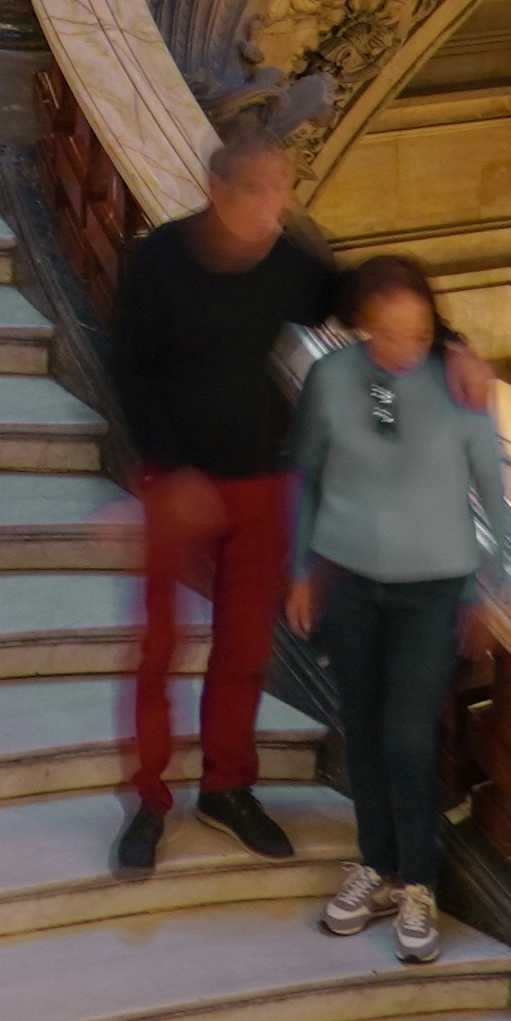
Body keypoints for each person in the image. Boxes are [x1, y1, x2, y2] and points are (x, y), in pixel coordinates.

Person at [108, 127, 341, 876]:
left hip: (260, 481)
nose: (274, 209)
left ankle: (227, 788)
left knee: (245, 649)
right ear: (217, 189)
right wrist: (169, 473)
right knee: (159, 646)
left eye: (282, 193)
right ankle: (148, 799)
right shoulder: (161, 262)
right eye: (258, 192)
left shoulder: (285, 265)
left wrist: (452, 345)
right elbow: (131, 370)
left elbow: (360, 297)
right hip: (176, 484)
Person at [287, 253, 511, 968]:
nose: (404, 351)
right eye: (389, 335)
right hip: (351, 581)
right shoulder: (332, 379)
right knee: (362, 726)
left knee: (409, 736)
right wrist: (300, 573)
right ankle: (375, 867)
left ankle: (419, 882)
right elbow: (308, 474)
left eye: (418, 336)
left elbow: (496, 491)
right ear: (362, 329)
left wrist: (496, 586)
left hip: (432, 589)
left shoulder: (458, 386)